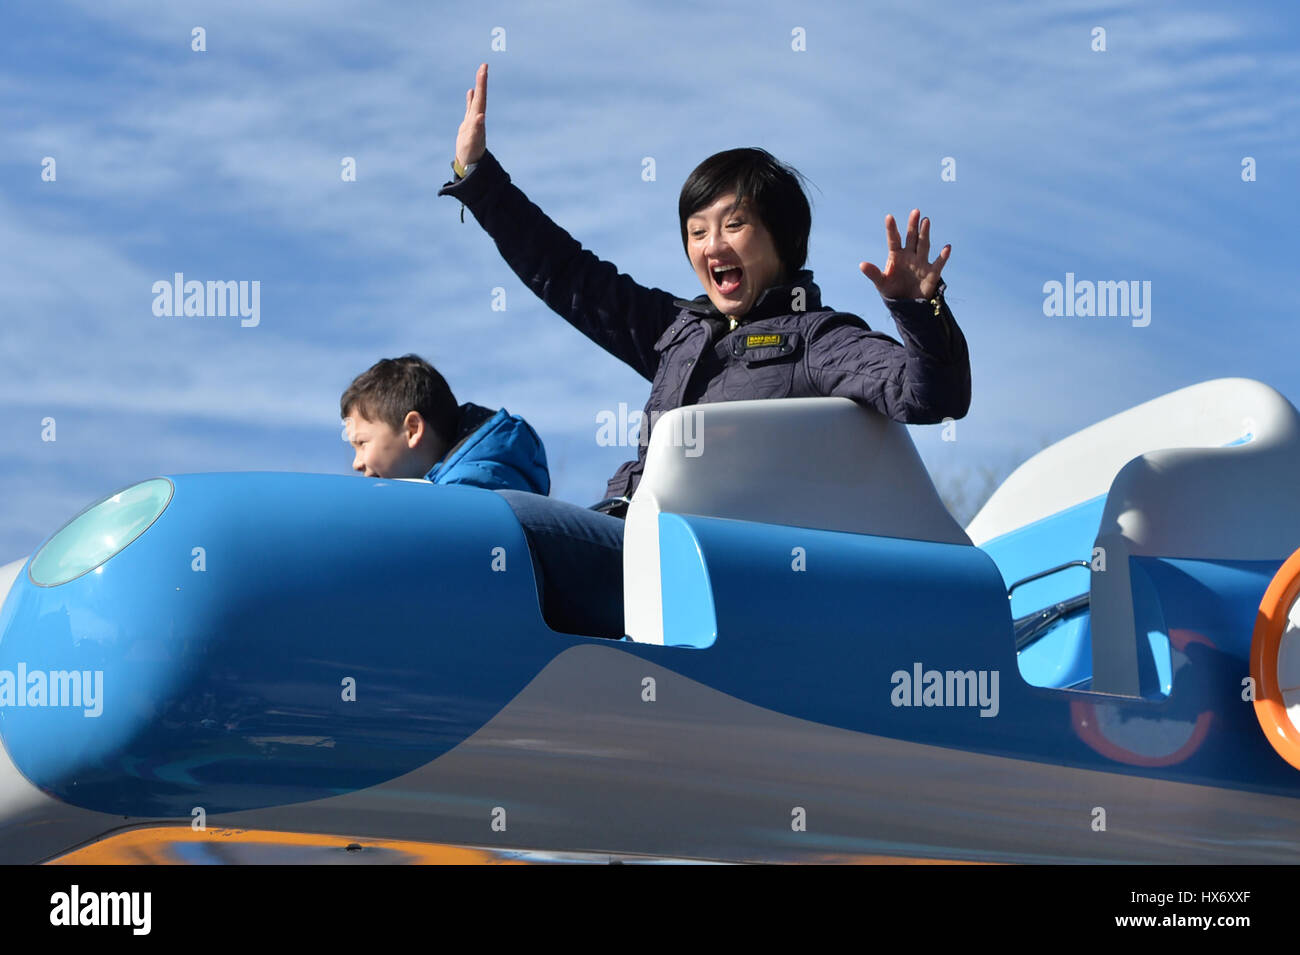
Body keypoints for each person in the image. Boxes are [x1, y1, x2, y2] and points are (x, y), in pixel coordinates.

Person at [438, 63, 970, 639]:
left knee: (490, 532)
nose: (712, 245)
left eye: (733, 225)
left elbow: (929, 395)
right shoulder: (677, 330)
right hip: (626, 540)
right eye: (696, 231)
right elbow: (568, 274)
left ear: (783, 239)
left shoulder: (819, 339)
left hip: (701, 565)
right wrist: (481, 180)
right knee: (457, 543)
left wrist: (920, 310)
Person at [341, 354, 549, 494]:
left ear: (412, 430)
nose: (356, 464)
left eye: (362, 443)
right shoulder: (488, 479)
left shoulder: (463, 497)